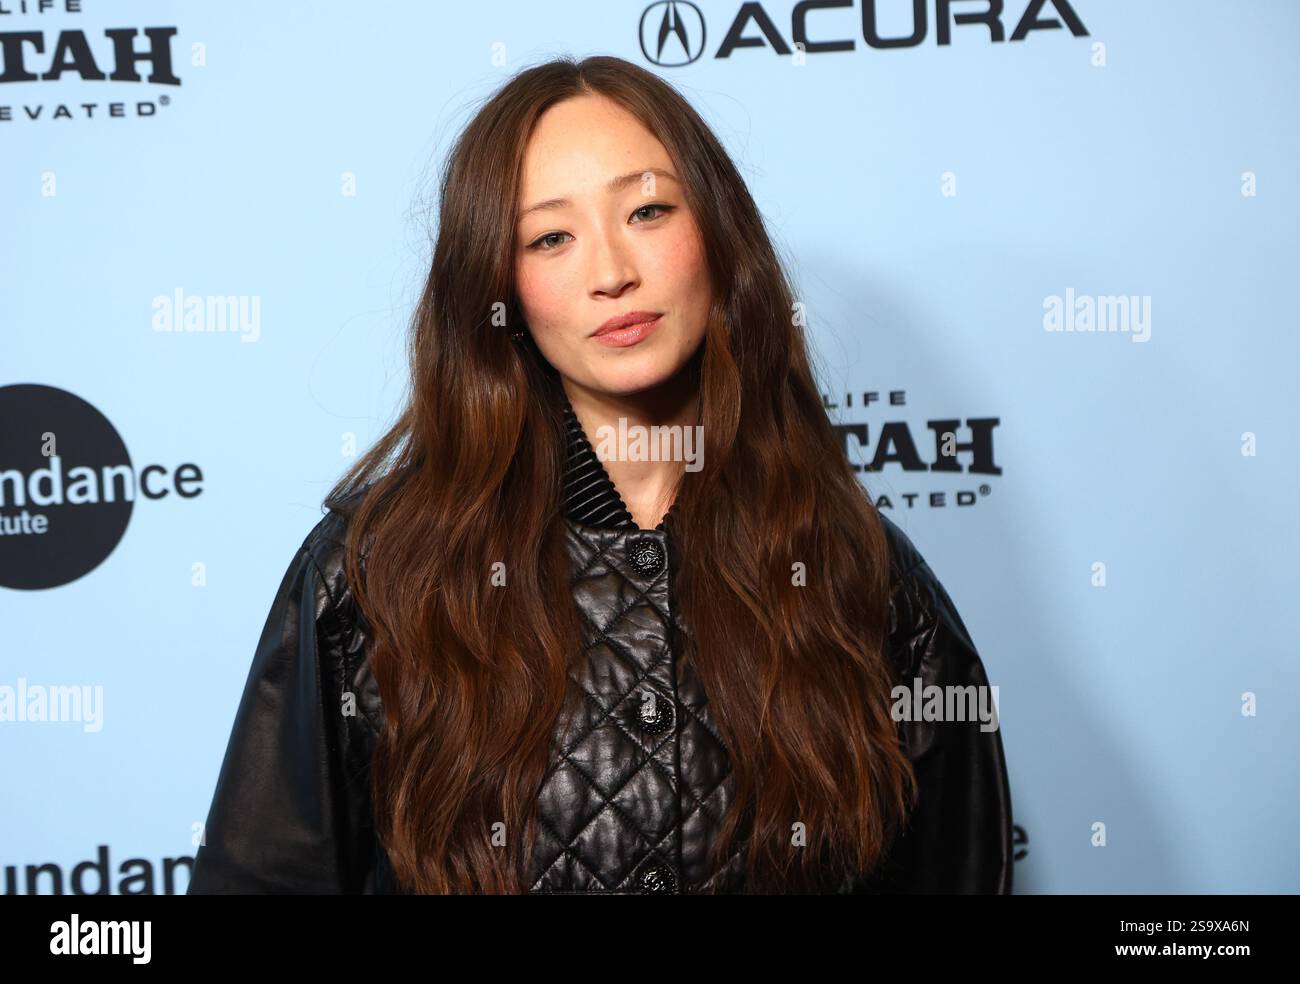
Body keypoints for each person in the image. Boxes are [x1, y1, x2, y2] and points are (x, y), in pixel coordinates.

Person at [187, 55, 1013, 895]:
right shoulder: (374, 574)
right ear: (496, 285)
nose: (611, 271)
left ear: (719, 236)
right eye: (551, 237)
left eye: (648, 211)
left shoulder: (858, 570)